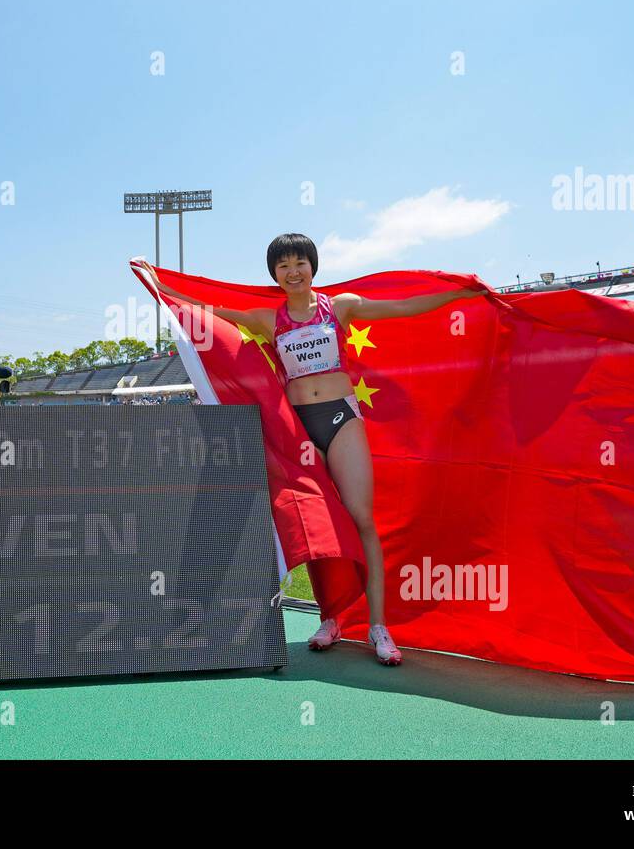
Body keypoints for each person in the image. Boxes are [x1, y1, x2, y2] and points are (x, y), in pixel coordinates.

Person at [140, 233, 481, 665]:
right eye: (283, 266)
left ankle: (379, 628)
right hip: (296, 431)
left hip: (340, 418)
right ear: (275, 275)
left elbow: (403, 307)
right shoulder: (267, 318)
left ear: (312, 266)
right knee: (318, 522)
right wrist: (160, 286)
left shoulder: (341, 307)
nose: (292, 271)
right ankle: (332, 618)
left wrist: (456, 294)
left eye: (299, 262)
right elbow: (206, 312)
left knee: (361, 519)